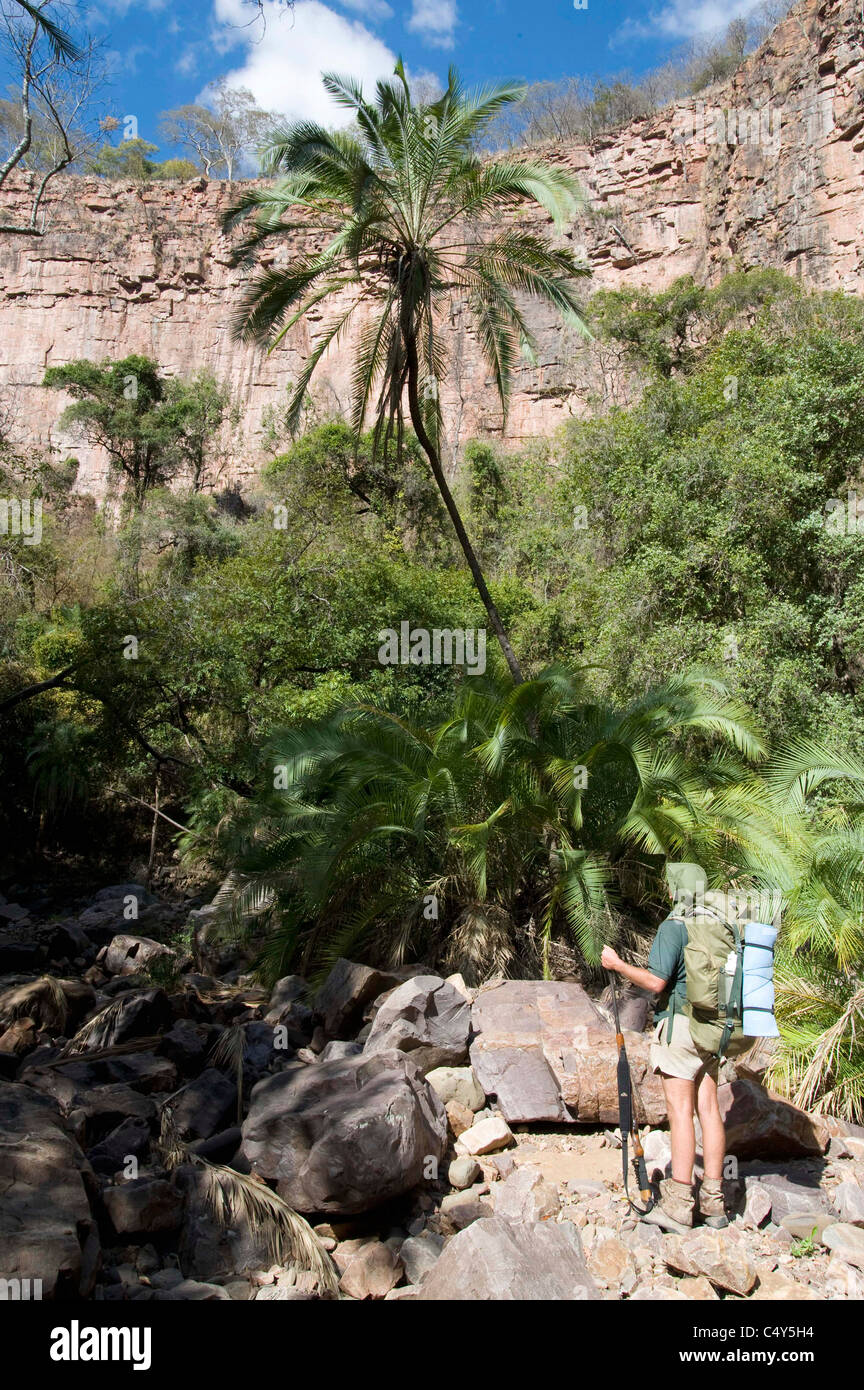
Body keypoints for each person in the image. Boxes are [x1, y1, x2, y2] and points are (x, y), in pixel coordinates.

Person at [600, 862, 728, 1234]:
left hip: (682, 1030)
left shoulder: (674, 926)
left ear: (675, 891)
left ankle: (679, 1204)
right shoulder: (719, 926)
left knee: (680, 1112)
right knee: (709, 1109)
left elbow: (656, 983)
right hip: (715, 1029)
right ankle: (715, 1203)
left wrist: (618, 965)